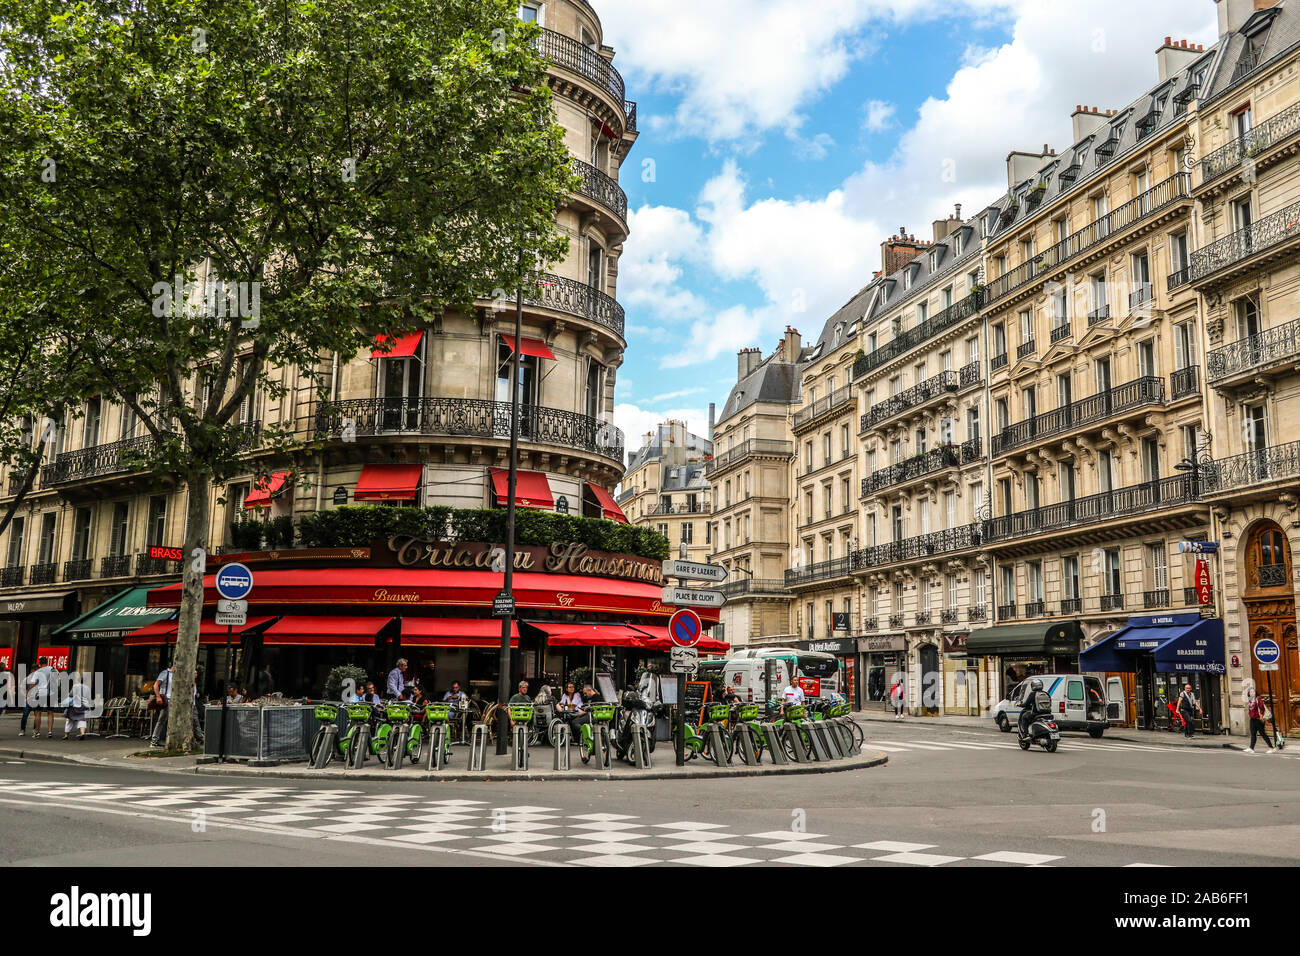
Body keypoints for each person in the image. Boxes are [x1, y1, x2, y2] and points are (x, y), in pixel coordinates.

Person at [21, 657, 57, 738]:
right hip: (51, 693)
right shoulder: (53, 669)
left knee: (37, 712)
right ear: (47, 662)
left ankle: (37, 732)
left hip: (41, 693)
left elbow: (33, 683)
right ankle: (50, 731)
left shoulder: (38, 671)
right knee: (50, 712)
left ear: (40, 664)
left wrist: (28, 693)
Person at [1243, 678, 1273, 754]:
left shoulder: (1258, 699)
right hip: (1252, 719)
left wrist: (1261, 717)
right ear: (1248, 693)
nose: (1252, 693)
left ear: (1255, 692)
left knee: (1262, 734)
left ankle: (1271, 747)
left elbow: (1262, 708)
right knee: (1253, 734)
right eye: (1250, 692)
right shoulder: (1250, 700)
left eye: (1253, 691)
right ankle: (1251, 748)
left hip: (1258, 719)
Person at [62, 673, 93, 740]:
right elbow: (89, 698)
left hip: (75, 706)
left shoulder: (75, 686)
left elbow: (71, 695)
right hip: (85, 706)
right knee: (82, 719)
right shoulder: (87, 688)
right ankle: (82, 733)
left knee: (69, 719)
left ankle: (66, 735)